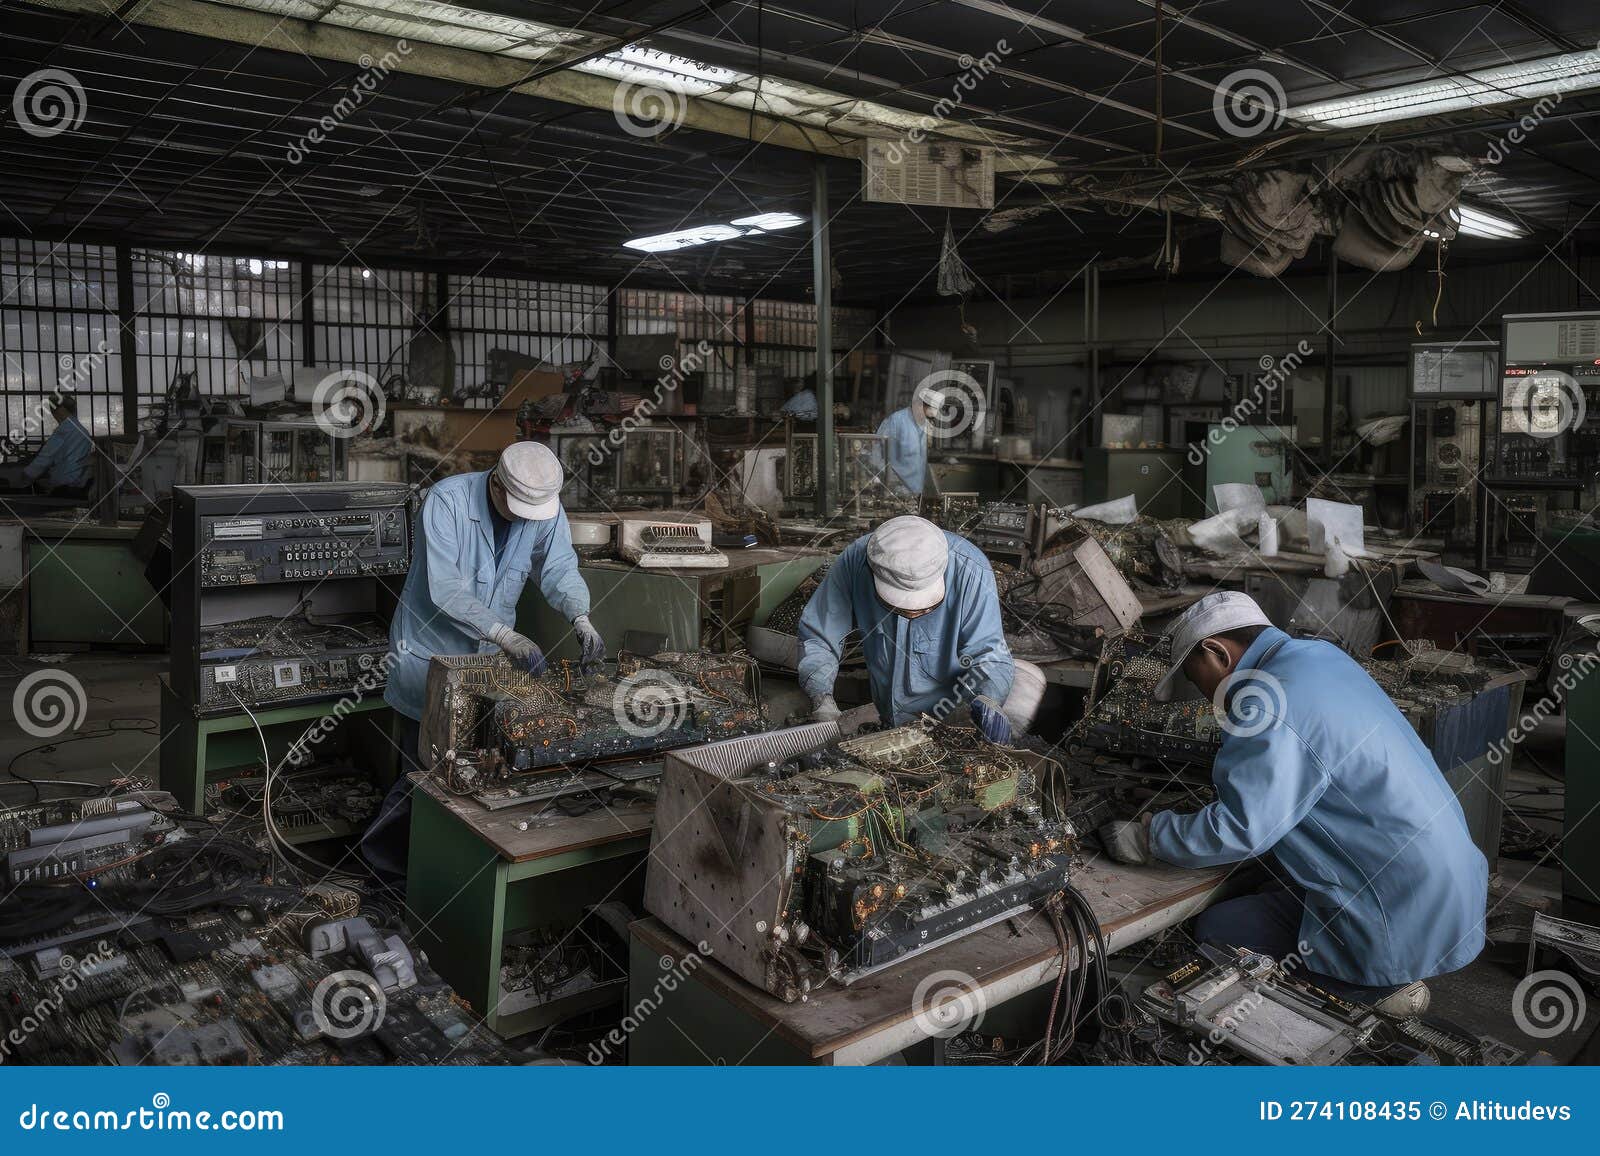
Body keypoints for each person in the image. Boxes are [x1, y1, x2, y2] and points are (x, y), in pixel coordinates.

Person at [1098, 590, 1487, 1017]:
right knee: (1271, 886)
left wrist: (1150, 836)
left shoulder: (1266, 700)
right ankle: (1378, 979)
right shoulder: (1319, 657)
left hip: (1393, 911)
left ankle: (1360, 992)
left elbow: (1241, 830)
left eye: (1196, 679)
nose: (1205, 696)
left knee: (1219, 927)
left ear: (1217, 653)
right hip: (1446, 885)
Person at [363, 441, 606, 879]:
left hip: (488, 663)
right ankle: (390, 874)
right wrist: (506, 635)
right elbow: (448, 590)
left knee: (475, 773)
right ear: (496, 484)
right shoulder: (446, 501)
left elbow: (559, 566)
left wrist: (581, 616)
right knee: (425, 772)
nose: (526, 521)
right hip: (429, 656)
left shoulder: (543, 507)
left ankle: (447, 877)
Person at [797, 514, 1015, 742]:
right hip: (887, 717)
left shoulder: (970, 569)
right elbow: (819, 635)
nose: (912, 612)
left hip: (951, 723)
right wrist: (821, 697)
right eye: (900, 604)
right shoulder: (855, 560)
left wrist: (988, 699)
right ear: (874, 574)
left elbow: (989, 653)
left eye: (922, 608)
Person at [873, 385, 940, 497]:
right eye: (926, 413)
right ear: (918, 405)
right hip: (895, 492)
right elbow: (875, 453)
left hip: (916, 492)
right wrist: (891, 480)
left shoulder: (923, 424)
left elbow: (918, 459)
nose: (926, 419)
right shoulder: (896, 421)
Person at [22, 396, 93, 495]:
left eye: (53, 410)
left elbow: (46, 457)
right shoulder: (82, 430)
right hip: (81, 482)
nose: (53, 414)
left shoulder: (64, 430)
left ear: (62, 410)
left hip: (64, 484)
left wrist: (27, 475)